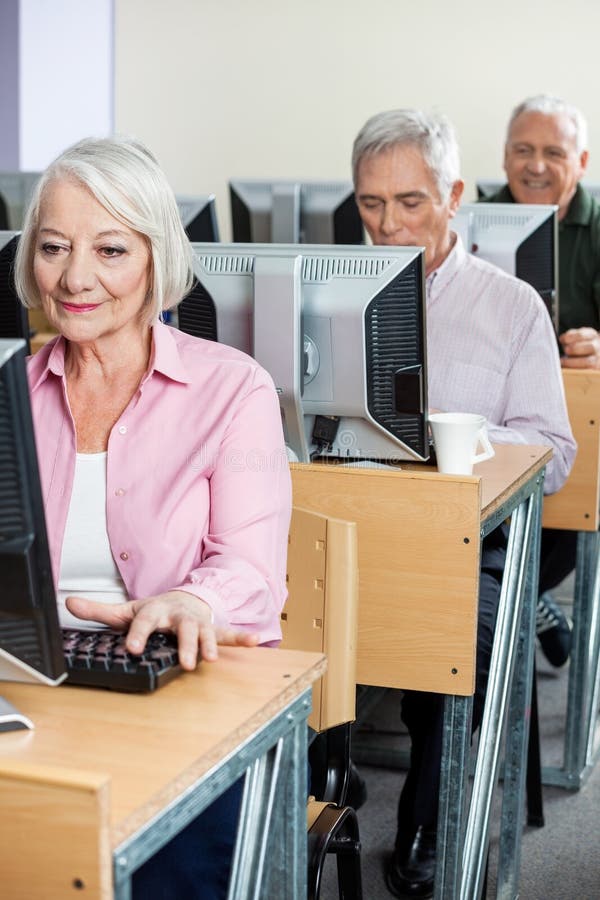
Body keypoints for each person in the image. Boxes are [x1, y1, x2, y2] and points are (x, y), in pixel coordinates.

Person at [14, 135, 292, 900]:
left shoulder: (233, 389)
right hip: (31, 690)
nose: (74, 278)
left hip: (182, 693)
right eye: (53, 248)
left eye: (109, 250)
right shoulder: (9, 391)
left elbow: (252, 569)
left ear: (155, 260)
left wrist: (193, 599)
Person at [351, 108, 576, 899]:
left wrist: (466, 440)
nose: (387, 225)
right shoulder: (329, 292)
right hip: (350, 530)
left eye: (409, 203)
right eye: (371, 205)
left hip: (462, 546)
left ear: (452, 196)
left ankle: (426, 813)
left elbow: (556, 451)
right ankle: (313, 788)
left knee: (455, 637)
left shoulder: (512, 307)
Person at [485, 94, 600, 666]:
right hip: (488, 408)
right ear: (504, 159)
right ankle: (521, 604)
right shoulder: (467, 220)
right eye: (523, 150)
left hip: (572, 423)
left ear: (581, 162)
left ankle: (516, 600)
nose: (535, 165)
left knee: (553, 514)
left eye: (553, 152)